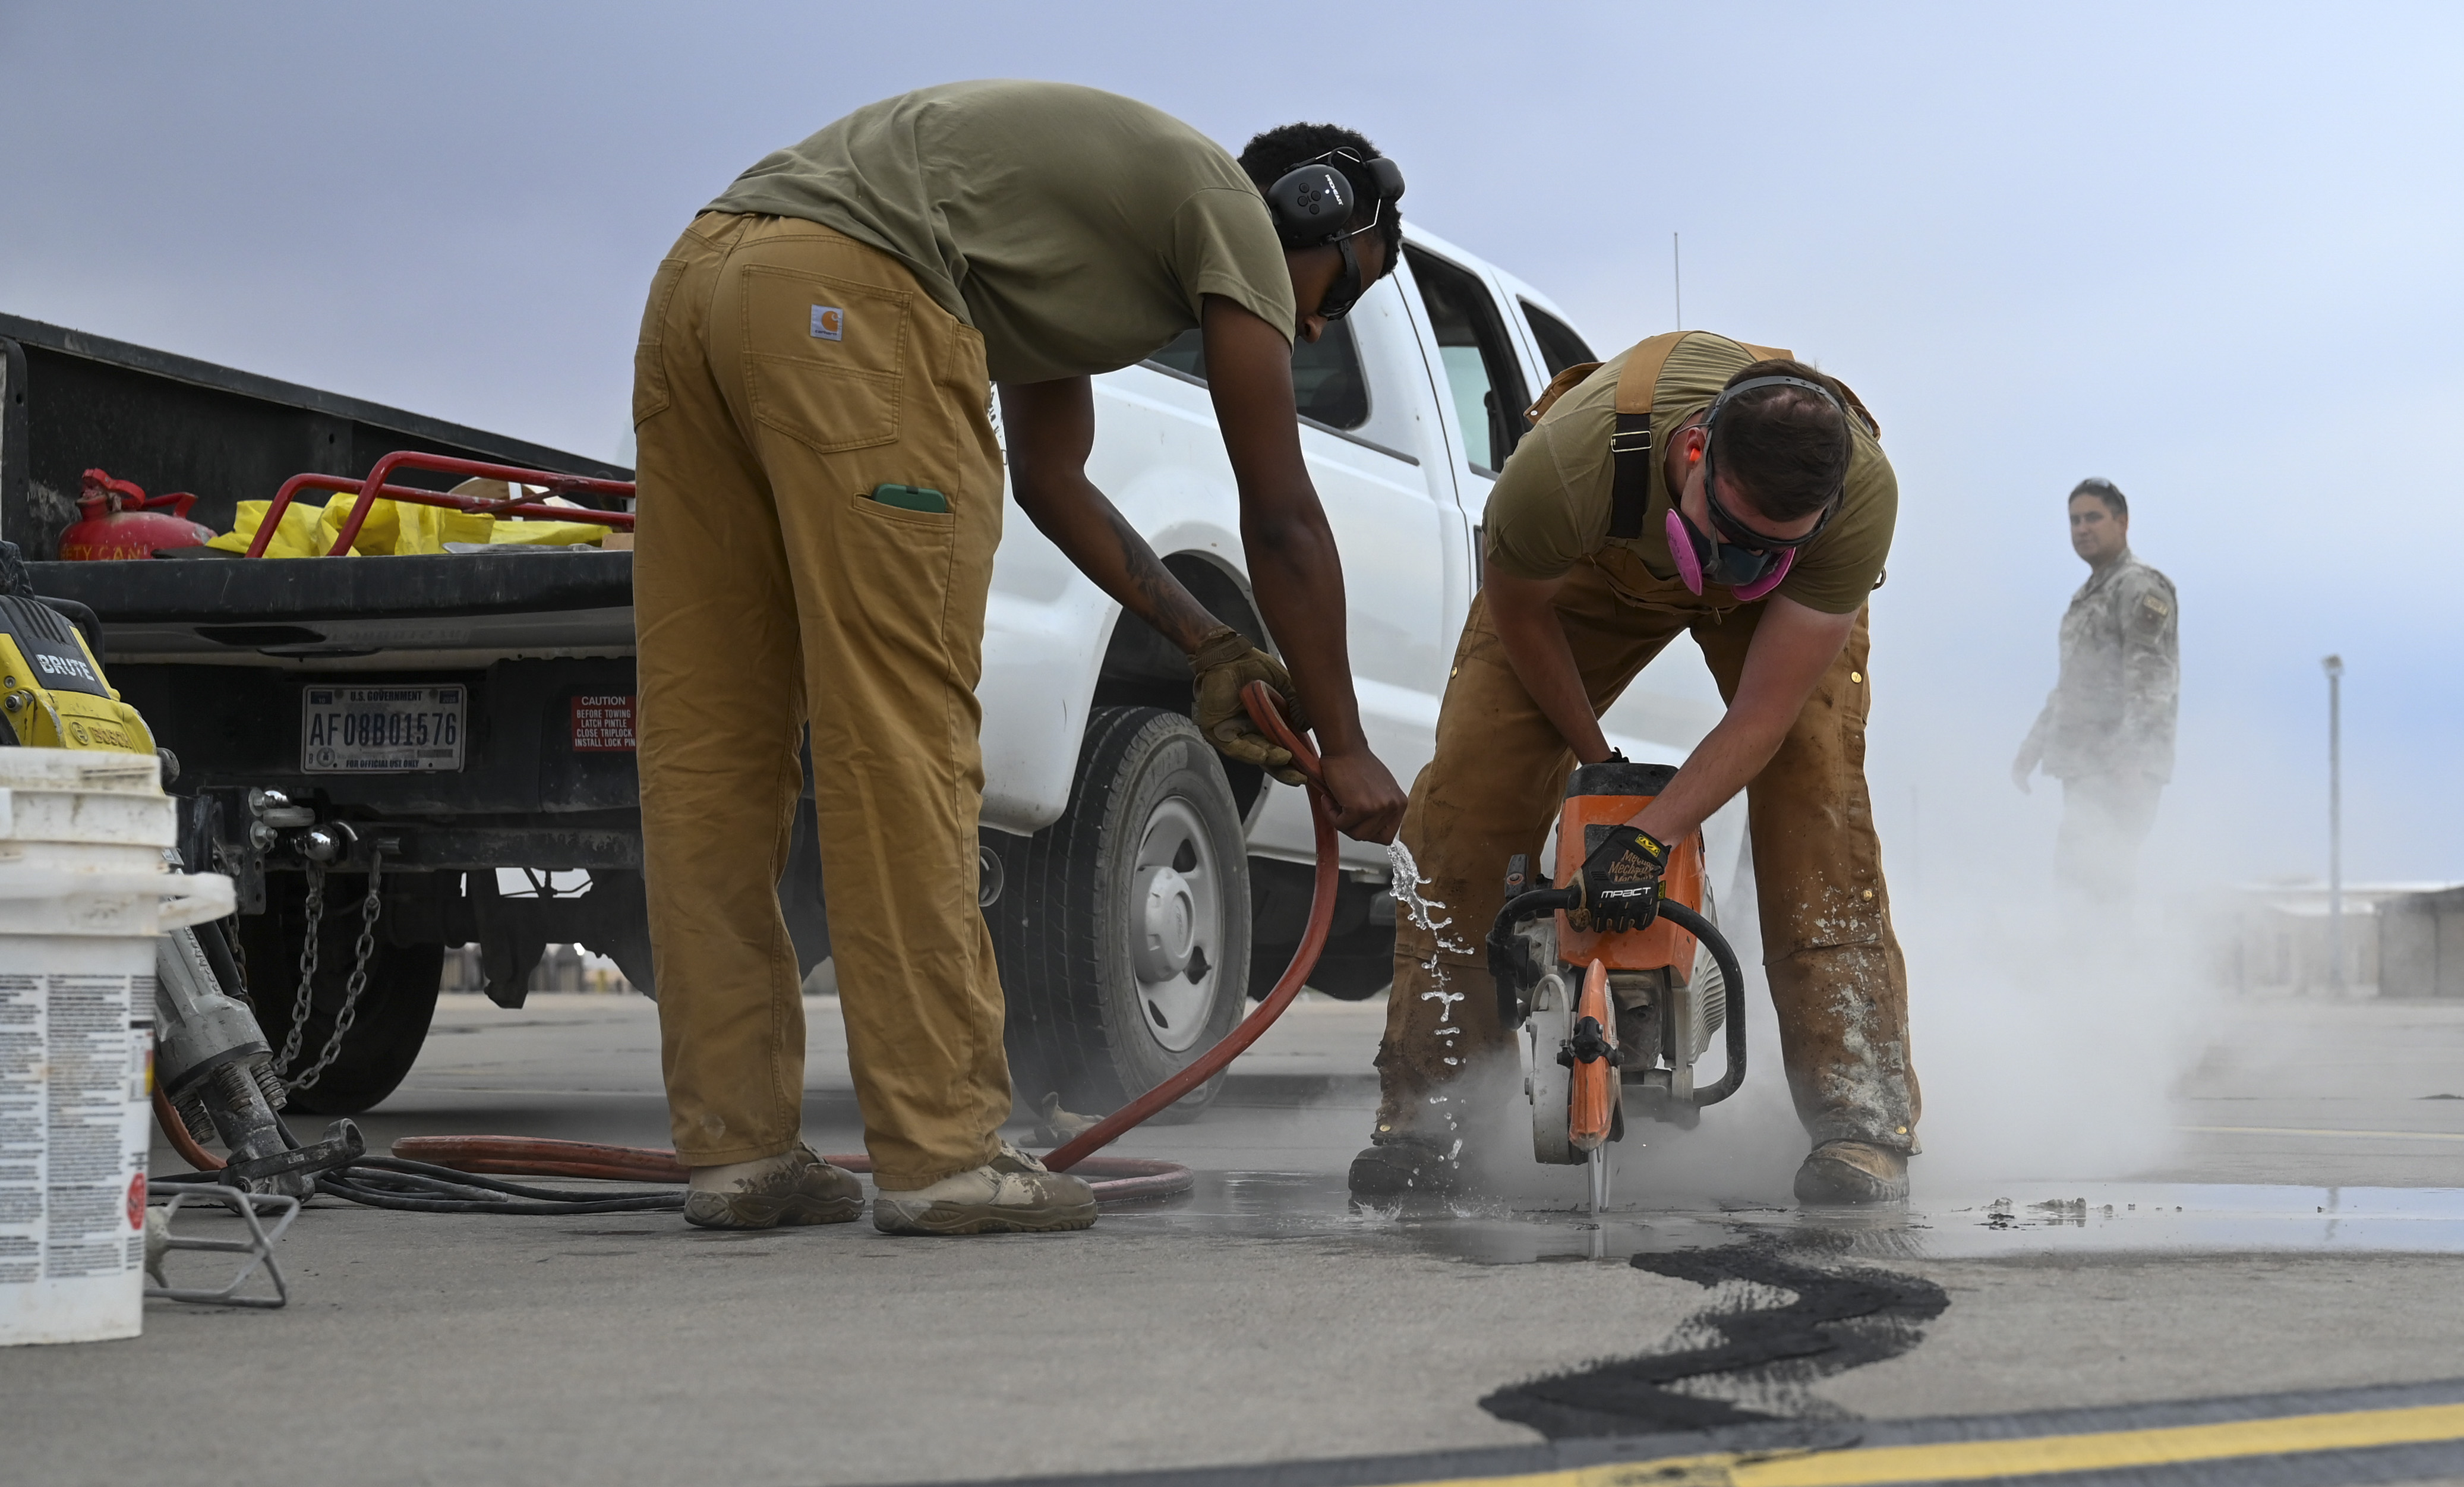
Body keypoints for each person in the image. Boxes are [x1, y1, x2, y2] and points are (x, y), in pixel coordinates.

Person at [630, 82, 1409, 1235]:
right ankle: (943, 1148)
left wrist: (1205, 641)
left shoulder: (1081, 234)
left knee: (713, 744)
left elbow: (1055, 476)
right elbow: (1282, 514)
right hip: (853, 301)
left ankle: (739, 1149)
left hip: (699, 288)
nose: (1313, 331)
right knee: (900, 737)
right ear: (1318, 214)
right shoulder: (1238, 215)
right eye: (1341, 294)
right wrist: (1347, 746)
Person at [1351, 329, 1921, 1207]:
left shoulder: (1858, 500)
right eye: (1728, 535)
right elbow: (1521, 621)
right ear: (1694, 451)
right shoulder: (1564, 470)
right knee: (1469, 799)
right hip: (1592, 565)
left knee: (1814, 804)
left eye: (1771, 548)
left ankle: (1859, 1116)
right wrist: (1596, 769)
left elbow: (1762, 717)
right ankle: (1432, 1112)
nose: (1735, 571)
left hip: (1775, 603)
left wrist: (1647, 836)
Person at [2011, 478, 2179, 906]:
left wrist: (2131, 759)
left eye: (2093, 517)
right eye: (2074, 520)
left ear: (2121, 523)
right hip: (2086, 767)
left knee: (2098, 886)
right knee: (2078, 885)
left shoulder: (2139, 588)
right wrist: (2032, 748)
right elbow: (2071, 685)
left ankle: (2112, 972)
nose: (2082, 528)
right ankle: (2091, 971)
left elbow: (2150, 682)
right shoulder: (2089, 596)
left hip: (2118, 769)